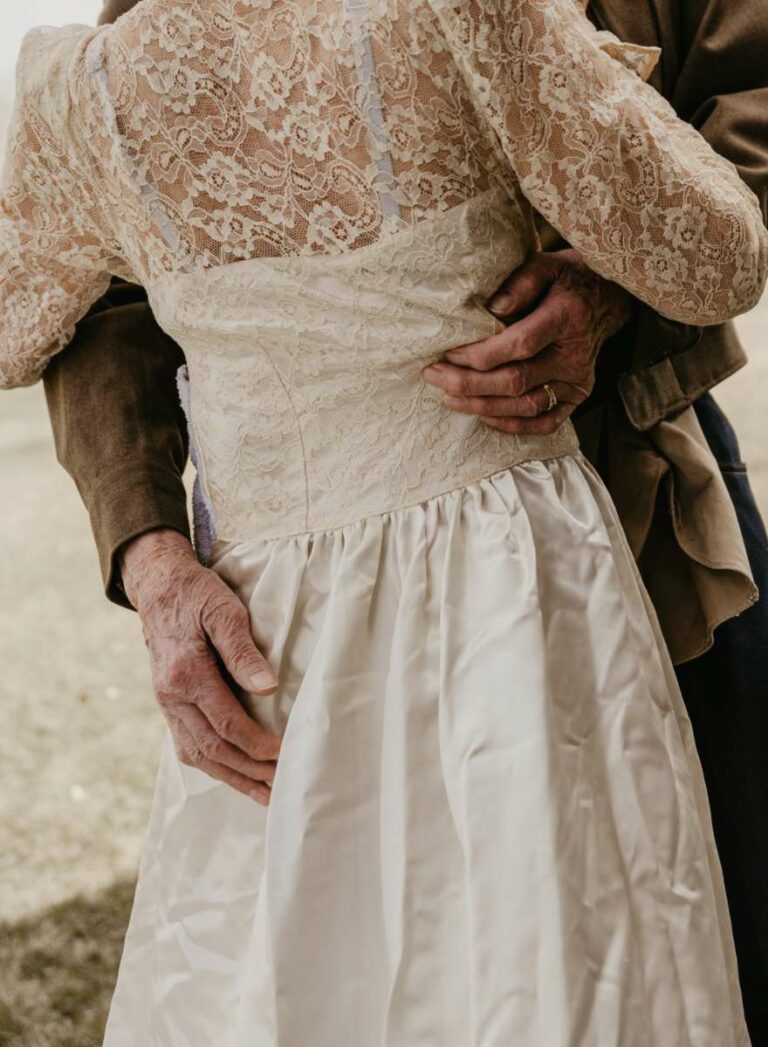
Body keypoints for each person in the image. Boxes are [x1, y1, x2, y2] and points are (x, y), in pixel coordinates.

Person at [2, 0, 767, 1043]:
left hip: (625, 506)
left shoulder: (75, 85)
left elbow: (737, 159)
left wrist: (608, 292)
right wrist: (149, 550)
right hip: (424, 591)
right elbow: (96, 302)